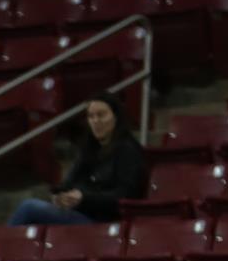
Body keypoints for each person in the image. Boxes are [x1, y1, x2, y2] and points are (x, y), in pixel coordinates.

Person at [10, 94, 151, 227]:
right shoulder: (89, 149)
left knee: (29, 207)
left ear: (116, 117)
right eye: (91, 116)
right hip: (82, 214)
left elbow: (125, 195)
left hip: (106, 222)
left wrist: (84, 197)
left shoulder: (128, 150)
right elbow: (67, 183)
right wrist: (59, 196)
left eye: (101, 115)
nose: (96, 121)